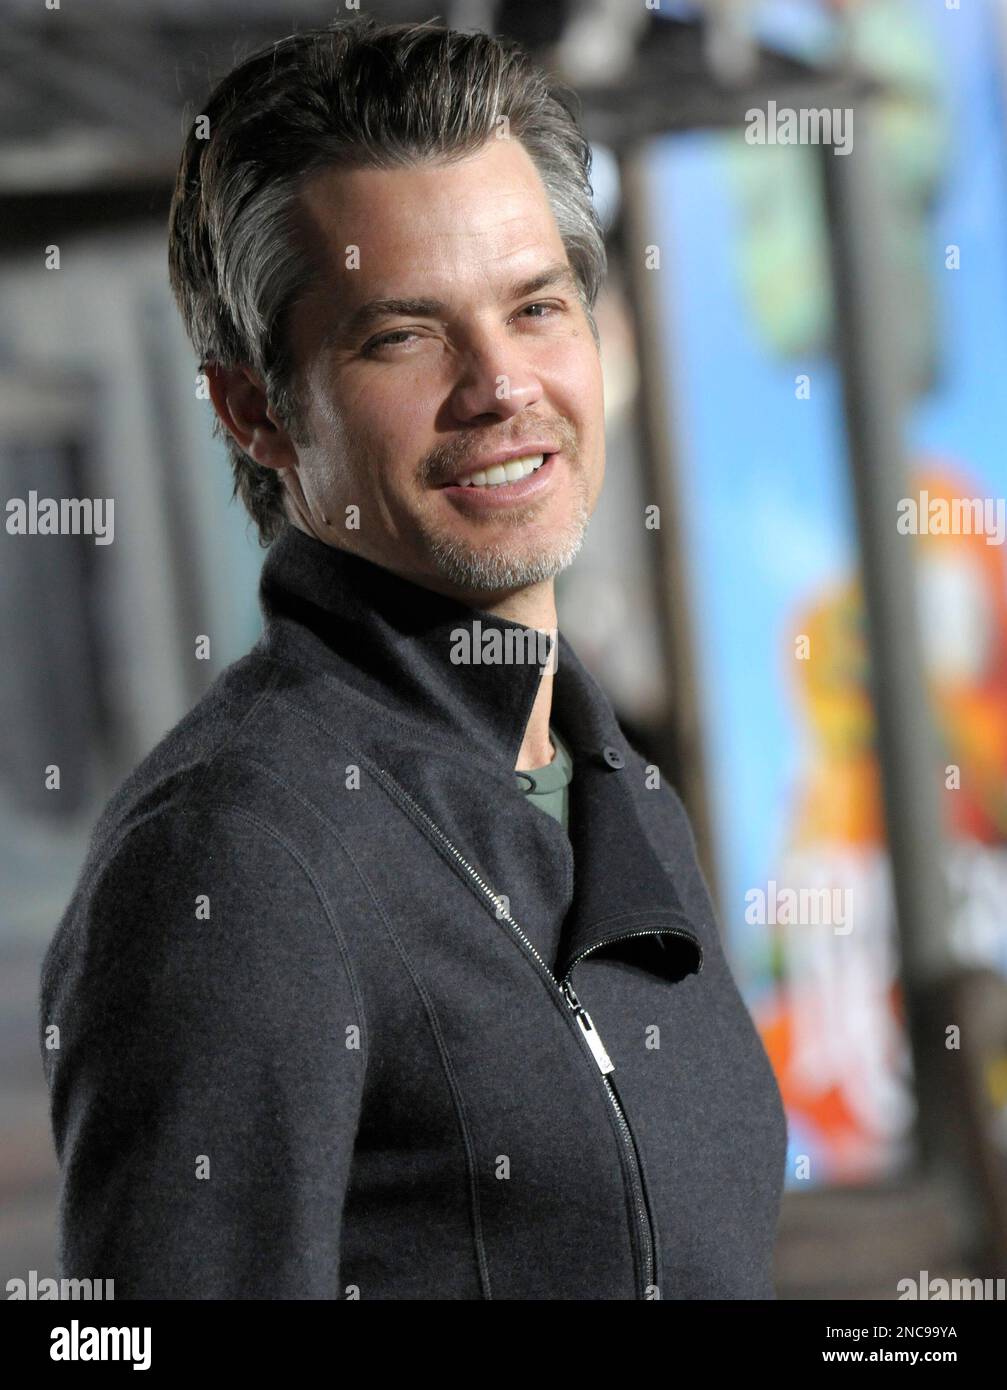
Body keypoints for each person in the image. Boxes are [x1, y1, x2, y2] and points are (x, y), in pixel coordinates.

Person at [40, 15, 787, 1300]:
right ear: (258, 410)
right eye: (403, 334)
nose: (501, 384)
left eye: (535, 306)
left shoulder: (626, 795)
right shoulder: (235, 851)